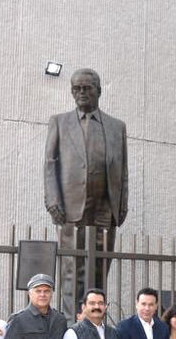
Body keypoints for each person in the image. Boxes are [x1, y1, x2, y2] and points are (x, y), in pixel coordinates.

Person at [44, 67, 129, 295]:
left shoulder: (116, 127)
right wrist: (53, 202)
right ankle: (72, 315)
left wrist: (121, 206)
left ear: (99, 91)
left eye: (87, 88)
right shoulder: (59, 122)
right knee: (72, 269)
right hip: (71, 208)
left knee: (100, 267)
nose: (81, 92)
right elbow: (50, 164)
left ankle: (96, 312)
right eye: (77, 88)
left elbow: (123, 171)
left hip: (105, 208)